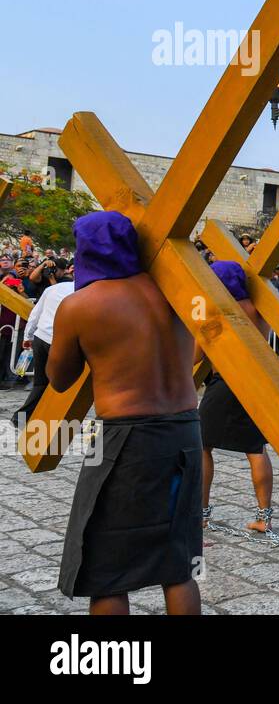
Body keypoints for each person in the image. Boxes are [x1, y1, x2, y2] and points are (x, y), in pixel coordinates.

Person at [45, 212, 202, 615]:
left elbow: (60, 379)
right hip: (186, 430)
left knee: (107, 570)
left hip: (128, 437)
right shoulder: (175, 294)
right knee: (179, 565)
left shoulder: (80, 305)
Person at [199, 261, 274, 533]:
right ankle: (264, 517)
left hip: (226, 381)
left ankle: (201, 513)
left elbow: (198, 354)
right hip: (255, 382)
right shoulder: (258, 309)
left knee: (202, 444)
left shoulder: (218, 310)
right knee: (255, 448)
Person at [11, 258, 75, 426]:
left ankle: (20, 418)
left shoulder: (52, 289)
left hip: (41, 338)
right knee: (64, 383)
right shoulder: (84, 292)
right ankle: (59, 419)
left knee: (40, 383)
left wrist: (27, 337)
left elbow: (35, 314)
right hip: (60, 342)